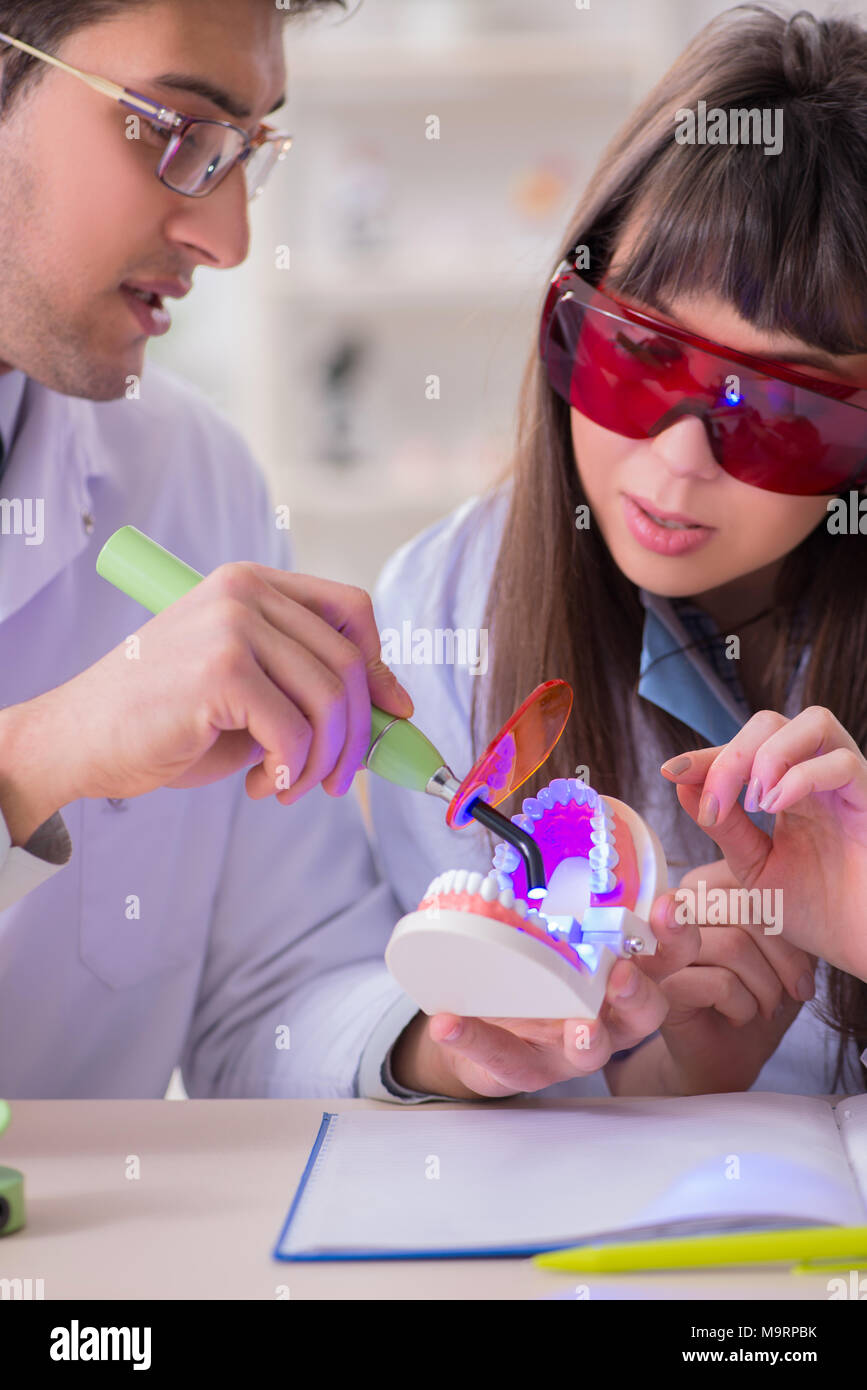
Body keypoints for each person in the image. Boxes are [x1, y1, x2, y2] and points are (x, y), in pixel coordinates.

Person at [0, 0, 693, 1102]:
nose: (226, 239)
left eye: (246, 152)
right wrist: (34, 759)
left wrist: (446, 1037)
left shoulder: (192, 475)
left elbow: (272, 1001)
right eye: (177, 131)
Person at [371, 5, 867, 1100]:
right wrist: (661, 1089)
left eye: (783, 412)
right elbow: (373, 1059)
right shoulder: (443, 609)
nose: (680, 463)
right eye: (638, 361)